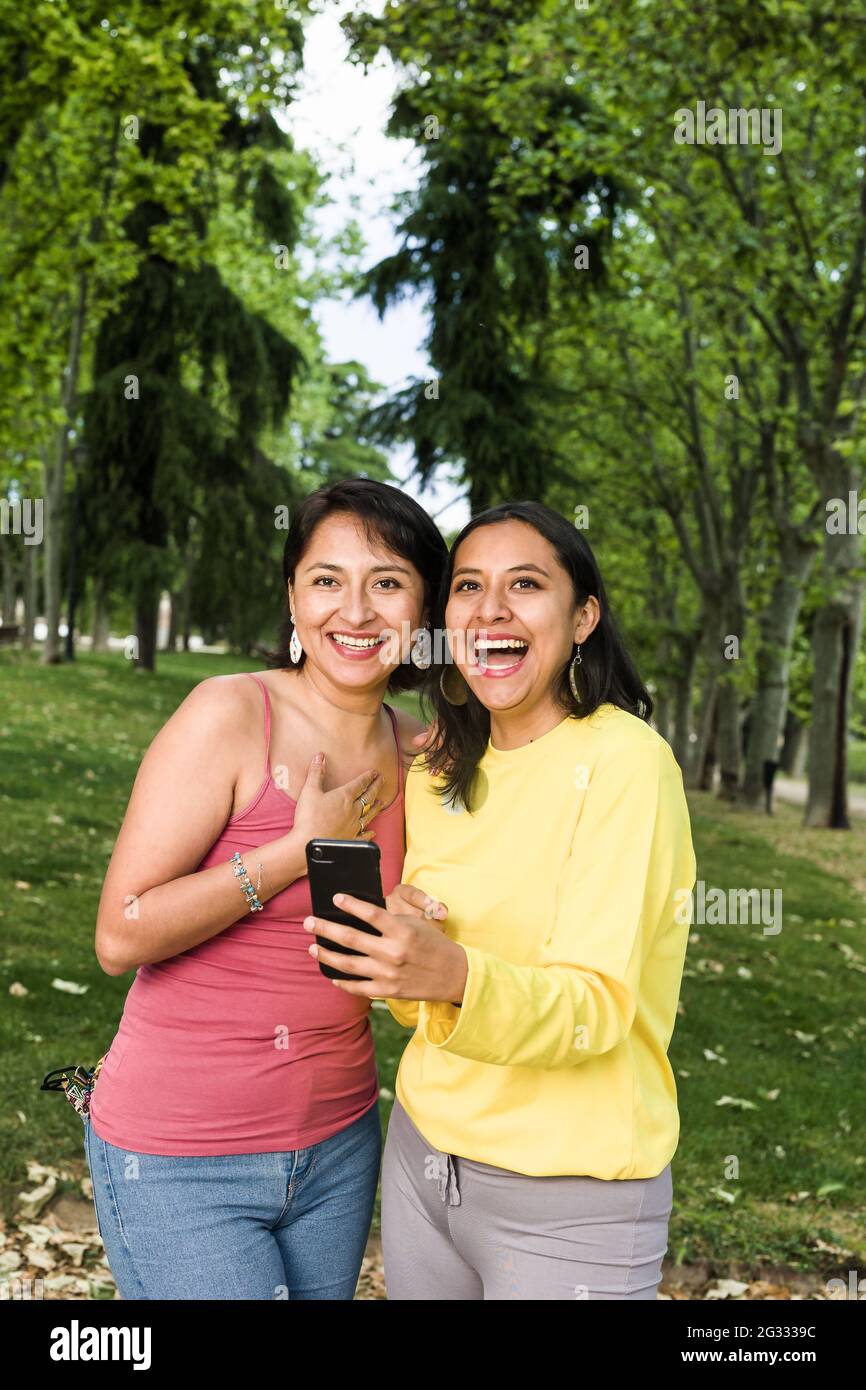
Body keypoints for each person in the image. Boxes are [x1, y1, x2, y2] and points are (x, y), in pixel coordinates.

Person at [303, 500, 697, 1300]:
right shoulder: (437, 765)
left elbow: (598, 1007)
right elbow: (429, 1009)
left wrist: (450, 974)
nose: (491, 610)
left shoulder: (628, 764)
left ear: (582, 616)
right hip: (421, 1165)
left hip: (568, 1200)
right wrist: (405, 959)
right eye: (469, 586)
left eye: (525, 584)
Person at [85, 477, 448, 1299]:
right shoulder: (230, 713)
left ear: (422, 615)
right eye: (327, 581)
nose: (354, 612)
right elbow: (120, 934)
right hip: (180, 1155)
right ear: (293, 597)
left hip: (339, 1145)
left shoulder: (424, 756)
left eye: (386, 583)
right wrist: (295, 852)